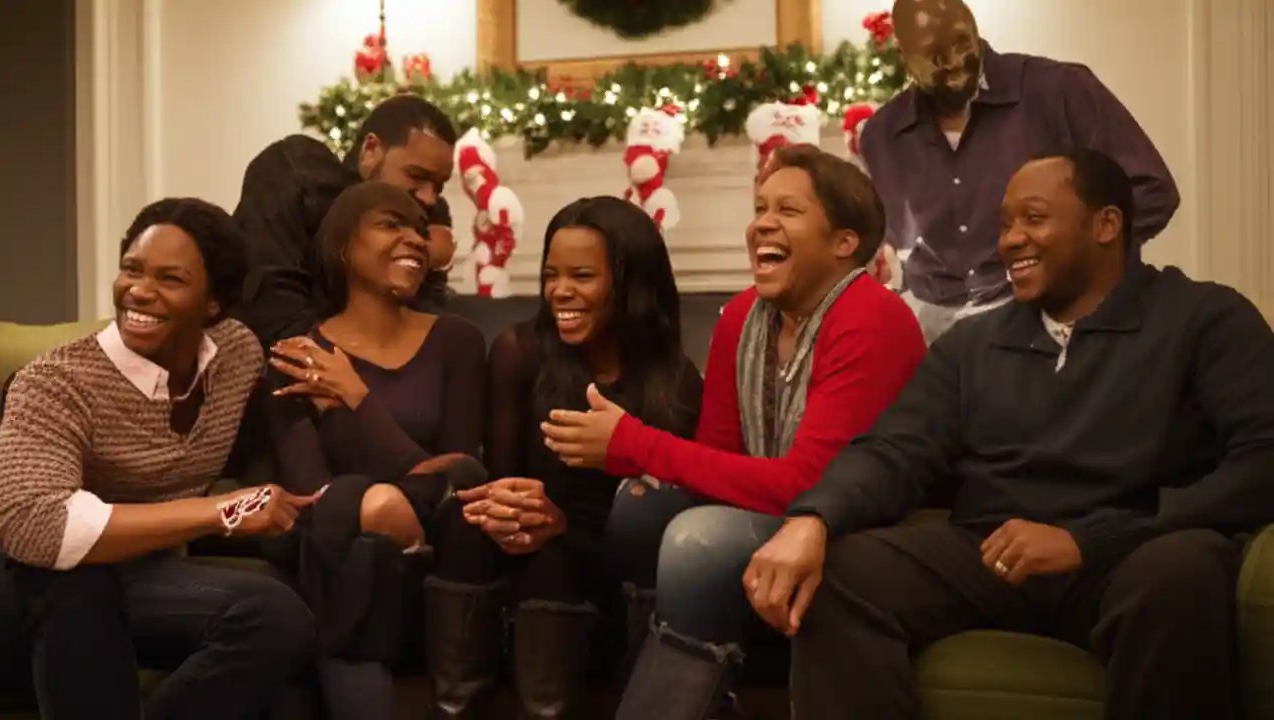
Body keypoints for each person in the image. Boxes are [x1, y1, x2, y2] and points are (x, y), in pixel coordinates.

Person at [746, 148, 1274, 720]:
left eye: (1034, 218)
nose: (1010, 240)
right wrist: (814, 518)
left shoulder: (1203, 319)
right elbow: (896, 448)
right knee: (843, 573)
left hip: (1132, 551)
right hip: (989, 554)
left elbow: (1263, 459)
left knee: (1183, 574)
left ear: (1106, 225)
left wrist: (1086, 541)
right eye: (1005, 224)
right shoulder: (976, 343)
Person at [534, 145, 927, 719]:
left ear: (844, 244)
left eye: (789, 210)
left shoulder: (873, 316)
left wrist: (633, 443)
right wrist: (633, 459)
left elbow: (811, 484)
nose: (763, 222)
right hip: (777, 507)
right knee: (642, 504)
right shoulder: (742, 317)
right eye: (760, 206)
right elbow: (717, 457)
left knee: (700, 542)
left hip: (850, 524)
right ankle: (679, 685)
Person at [0, 198, 317, 720]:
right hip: (26, 585)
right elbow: (34, 528)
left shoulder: (236, 355)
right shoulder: (55, 381)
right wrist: (222, 512)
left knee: (278, 618)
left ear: (214, 303)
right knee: (74, 579)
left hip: (142, 573)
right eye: (131, 270)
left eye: (171, 279)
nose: (139, 291)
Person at [444, 196, 704, 719]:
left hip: (620, 568)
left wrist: (563, 522)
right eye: (551, 274)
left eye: (582, 275)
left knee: (564, 557)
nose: (561, 291)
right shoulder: (519, 353)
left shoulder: (674, 379)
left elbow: (664, 509)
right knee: (471, 520)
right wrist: (519, 510)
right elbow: (505, 476)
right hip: (531, 552)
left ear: (630, 285)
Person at [263, 182, 487, 720]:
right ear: (342, 246)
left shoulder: (457, 340)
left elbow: (458, 481)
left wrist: (355, 399)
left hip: (437, 572)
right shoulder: (297, 359)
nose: (413, 238)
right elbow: (314, 500)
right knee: (359, 532)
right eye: (391, 224)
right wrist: (380, 506)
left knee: (390, 515)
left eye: (419, 226)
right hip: (339, 559)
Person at [861, 0, 1179, 343]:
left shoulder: (1059, 89)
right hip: (932, 332)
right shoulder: (882, 134)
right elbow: (891, 243)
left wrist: (1079, 269)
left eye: (962, 43)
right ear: (903, 55)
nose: (953, 62)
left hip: (1051, 323)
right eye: (934, 56)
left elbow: (1152, 190)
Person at [235, 94, 460, 350]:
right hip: (283, 359)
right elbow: (270, 300)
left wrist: (430, 266)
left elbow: (423, 323)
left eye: (439, 186)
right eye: (416, 176)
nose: (429, 197)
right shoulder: (297, 172)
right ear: (371, 150)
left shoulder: (429, 215)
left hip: (383, 365)